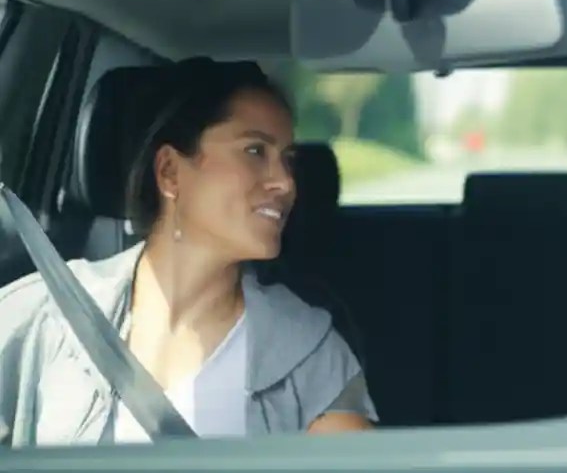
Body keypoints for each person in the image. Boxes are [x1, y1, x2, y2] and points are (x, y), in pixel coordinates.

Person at [0, 58, 377, 446]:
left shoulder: (309, 352)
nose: (285, 182)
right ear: (170, 172)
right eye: (254, 150)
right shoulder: (44, 316)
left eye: (288, 160)